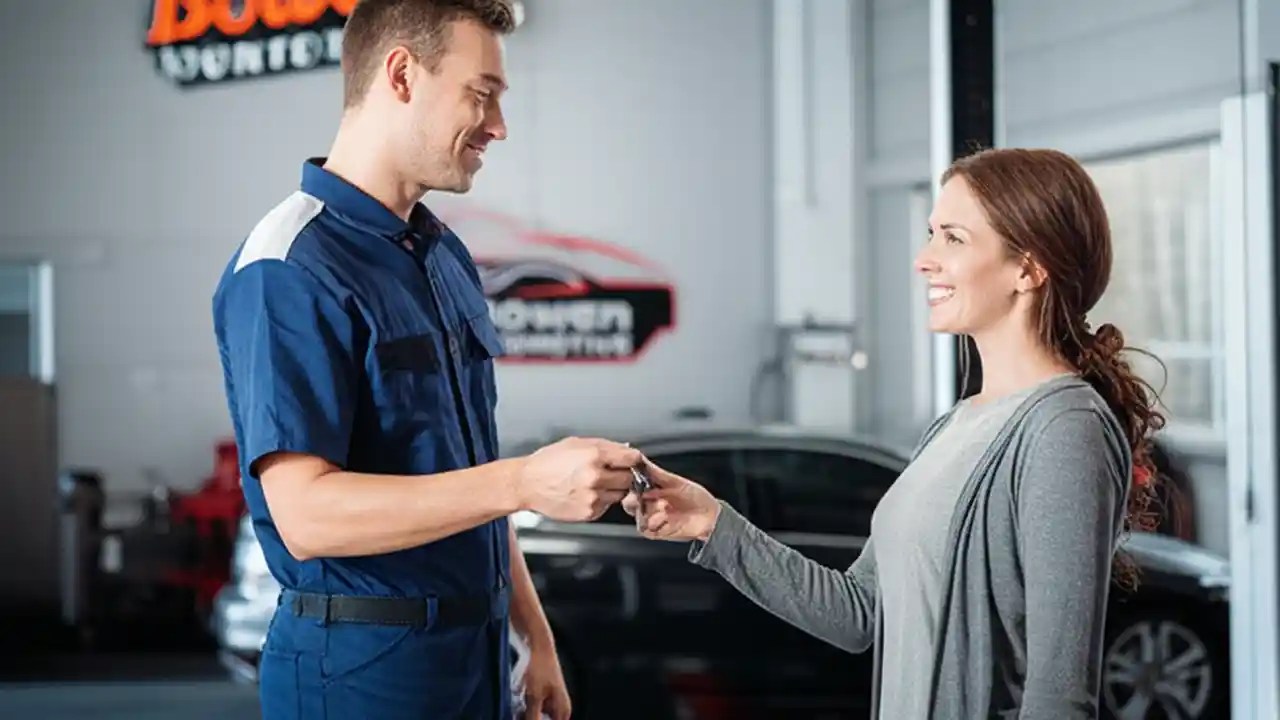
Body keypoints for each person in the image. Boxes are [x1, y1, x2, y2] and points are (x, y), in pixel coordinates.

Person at [623, 147, 1165, 719]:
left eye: (953, 238)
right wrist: (711, 522)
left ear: (1027, 269)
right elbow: (859, 613)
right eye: (932, 233)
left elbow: (1059, 698)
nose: (924, 260)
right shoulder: (955, 426)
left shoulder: (1064, 429)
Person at [211, 1, 641, 718]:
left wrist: (535, 637)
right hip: (361, 674)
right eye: (482, 95)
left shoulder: (442, 255)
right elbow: (308, 516)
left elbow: (471, 480)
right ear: (402, 75)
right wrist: (525, 481)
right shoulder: (287, 266)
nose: (498, 127)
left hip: (475, 657)